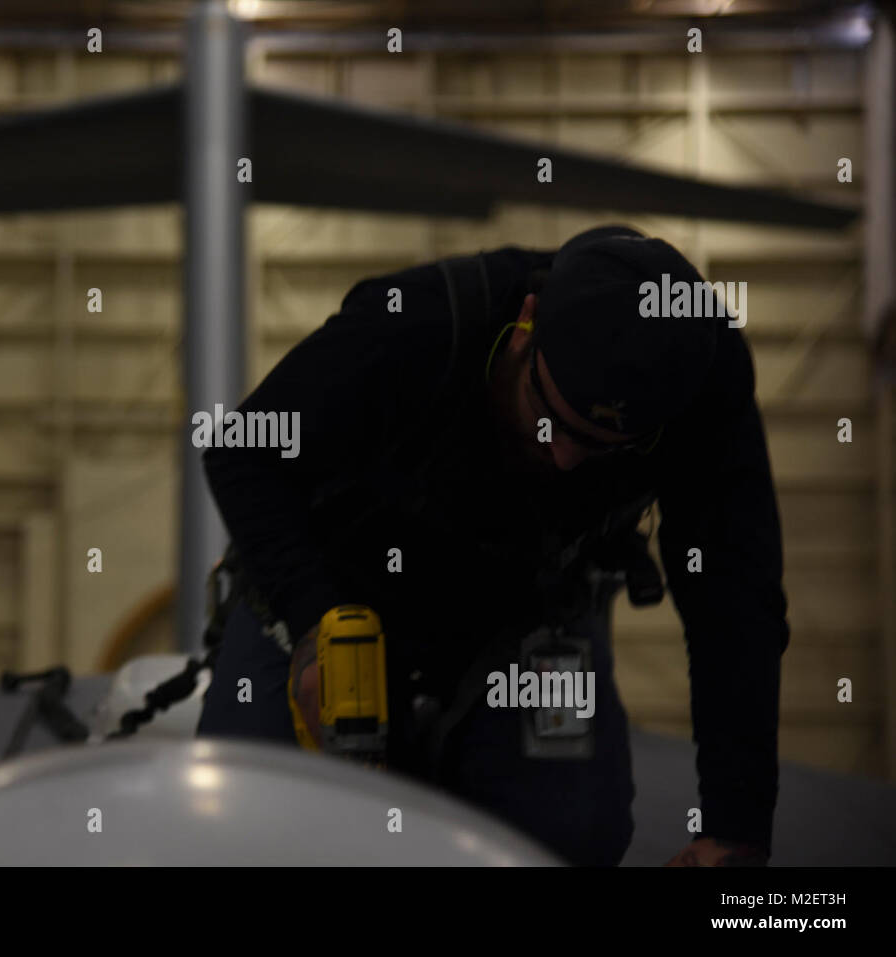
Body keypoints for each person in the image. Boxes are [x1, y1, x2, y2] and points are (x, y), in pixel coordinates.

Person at [195, 225, 788, 867]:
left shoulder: (703, 380)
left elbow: (735, 598)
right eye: (549, 417)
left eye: (600, 446)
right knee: (241, 829)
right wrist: (313, 617)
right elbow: (242, 451)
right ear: (526, 323)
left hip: (528, 617)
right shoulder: (419, 325)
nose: (563, 458)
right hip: (335, 593)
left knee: (570, 836)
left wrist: (735, 824)